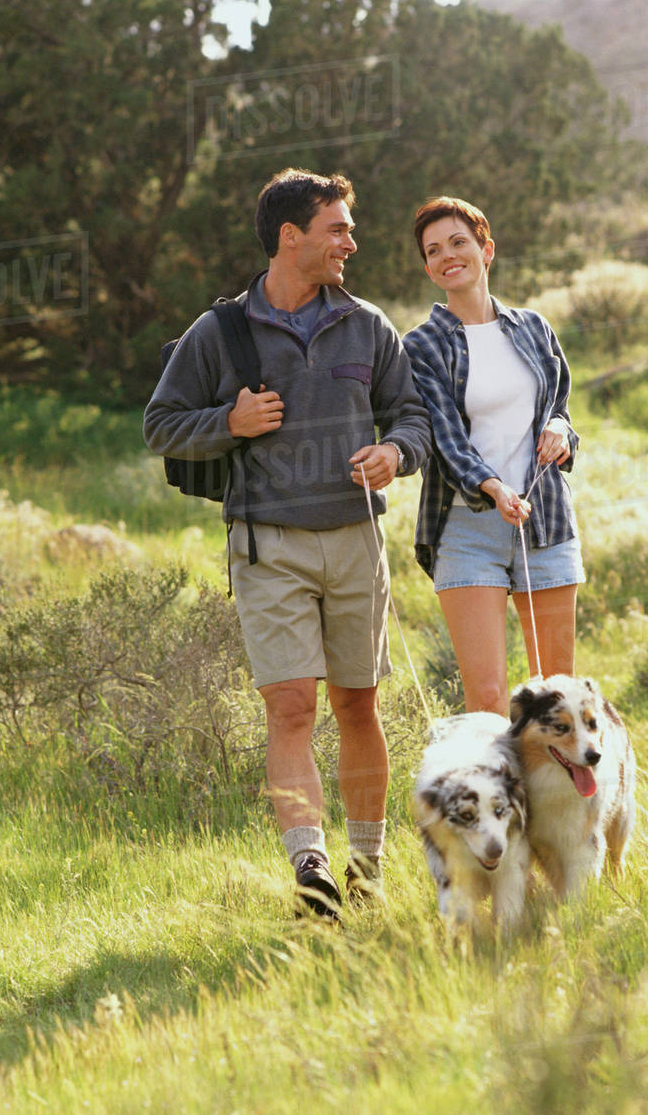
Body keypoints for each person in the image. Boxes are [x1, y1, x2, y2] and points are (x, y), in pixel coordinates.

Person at [144, 168, 431, 918]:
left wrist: (396, 453)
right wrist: (227, 426)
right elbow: (160, 425)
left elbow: (411, 416)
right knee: (292, 708)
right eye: (337, 228)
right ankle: (313, 874)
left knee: (359, 705)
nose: (351, 242)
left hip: (355, 543)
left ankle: (366, 867)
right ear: (291, 236)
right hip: (267, 547)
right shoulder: (220, 333)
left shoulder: (368, 324)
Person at [402, 196, 584, 716]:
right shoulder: (422, 346)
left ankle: (557, 800)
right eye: (433, 250)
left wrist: (560, 430)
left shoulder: (533, 327)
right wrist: (493, 488)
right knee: (486, 701)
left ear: (487, 250)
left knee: (558, 698)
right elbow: (445, 439)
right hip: (467, 530)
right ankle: (501, 800)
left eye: (459, 242)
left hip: (545, 521)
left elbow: (561, 407)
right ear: (428, 266)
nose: (446, 256)